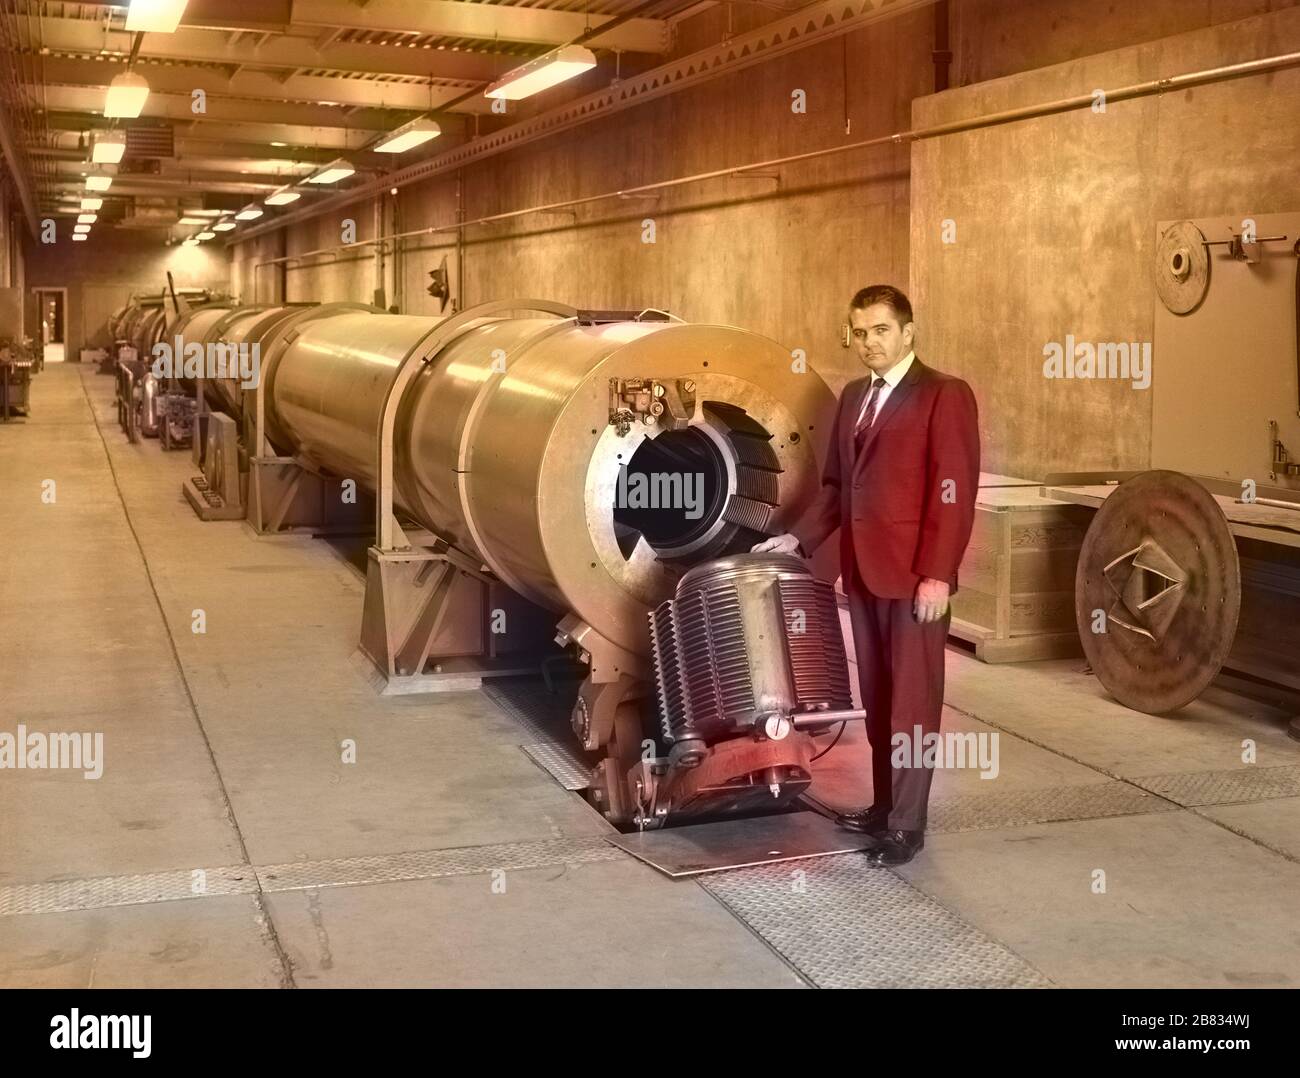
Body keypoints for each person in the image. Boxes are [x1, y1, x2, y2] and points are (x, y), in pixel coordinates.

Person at [752, 285, 979, 866]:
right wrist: (798, 538)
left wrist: (936, 575)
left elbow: (952, 496)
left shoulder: (944, 395)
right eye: (859, 332)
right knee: (878, 702)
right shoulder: (854, 397)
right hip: (863, 576)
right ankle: (883, 807)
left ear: (908, 331)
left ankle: (906, 826)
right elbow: (836, 490)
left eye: (881, 330)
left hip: (912, 581)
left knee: (911, 705)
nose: (869, 342)